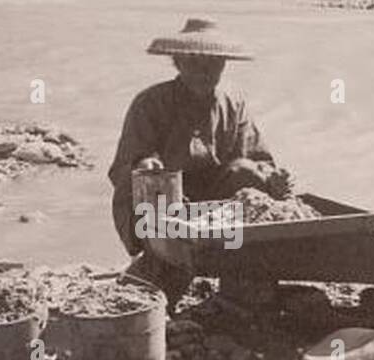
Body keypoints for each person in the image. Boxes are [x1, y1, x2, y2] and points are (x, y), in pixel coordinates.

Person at [108, 17, 292, 308]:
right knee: (157, 186)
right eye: (194, 63)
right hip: (161, 206)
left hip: (214, 208)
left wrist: (272, 176)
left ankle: (238, 273)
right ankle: (158, 269)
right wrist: (145, 164)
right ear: (177, 63)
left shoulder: (233, 105)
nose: (205, 72)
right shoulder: (150, 103)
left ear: (223, 66)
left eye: (214, 64)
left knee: (247, 172)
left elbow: (258, 160)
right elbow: (123, 166)